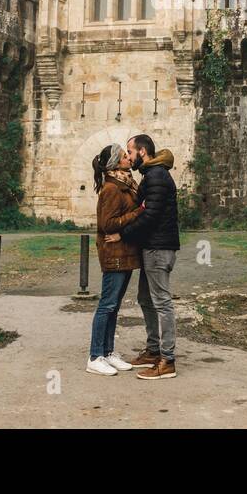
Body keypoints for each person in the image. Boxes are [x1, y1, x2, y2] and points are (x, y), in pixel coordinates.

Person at [106, 133, 180, 380]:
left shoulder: (157, 176)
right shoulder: (152, 174)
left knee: (161, 302)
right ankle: (153, 349)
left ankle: (167, 360)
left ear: (143, 152)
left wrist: (122, 235)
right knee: (146, 299)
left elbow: (150, 216)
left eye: (130, 151)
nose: (128, 156)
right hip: (152, 247)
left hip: (159, 249)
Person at [86, 143, 143, 376]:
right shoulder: (111, 188)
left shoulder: (124, 183)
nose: (129, 159)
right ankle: (95, 356)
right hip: (114, 254)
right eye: (124, 156)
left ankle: (108, 352)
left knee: (114, 306)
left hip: (125, 252)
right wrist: (138, 212)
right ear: (115, 164)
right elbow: (107, 224)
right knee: (106, 305)